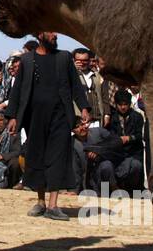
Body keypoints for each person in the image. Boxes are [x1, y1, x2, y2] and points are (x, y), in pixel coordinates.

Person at [7, 32, 91, 220]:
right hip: (34, 117)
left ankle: (53, 205)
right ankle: (41, 202)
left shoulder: (64, 57)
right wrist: (12, 116)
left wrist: (84, 107)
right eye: (50, 32)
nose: (54, 35)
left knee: (57, 157)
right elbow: (17, 90)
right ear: (40, 35)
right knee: (36, 157)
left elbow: (75, 85)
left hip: (60, 116)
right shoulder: (28, 60)